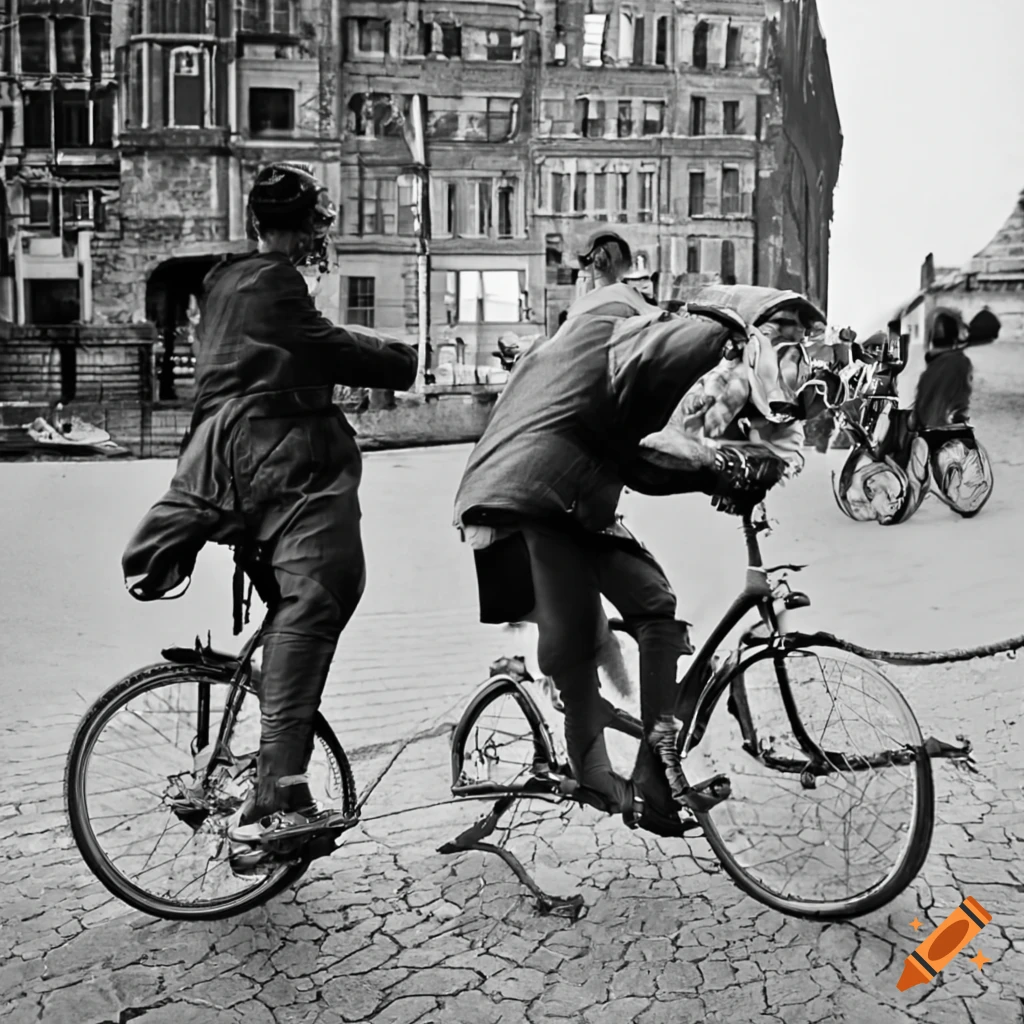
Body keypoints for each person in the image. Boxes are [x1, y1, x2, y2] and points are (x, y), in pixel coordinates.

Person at [121, 163, 418, 848]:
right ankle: (278, 796)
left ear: (255, 220)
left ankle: (267, 750)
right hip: (272, 463)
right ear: (312, 226)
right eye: (318, 224)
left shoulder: (225, 280)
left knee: (293, 608)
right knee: (322, 590)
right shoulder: (275, 282)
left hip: (223, 462)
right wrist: (396, 360)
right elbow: (324, 344)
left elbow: (279, 355)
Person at [453, 277, 787, 837]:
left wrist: (718, 472)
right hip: (526, 503)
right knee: (575, 642)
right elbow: (671, 359)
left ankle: (655, 772)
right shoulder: (613, 339)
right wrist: (732, 322)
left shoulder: (581, 354)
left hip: (569, 501)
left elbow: (641, 464)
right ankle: (599, 776)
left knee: (655, 601)